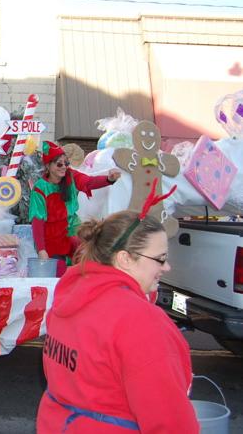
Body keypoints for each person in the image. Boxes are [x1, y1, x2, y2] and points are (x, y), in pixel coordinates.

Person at [37, 184, 198, 433]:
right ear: (124, 259)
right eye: (161, 259)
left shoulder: (70, 294)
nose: (167, 268)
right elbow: (170, 421)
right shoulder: (141, 322)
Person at [29, 141, 121, 276]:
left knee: (83, 273)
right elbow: (37, 221)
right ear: (48, 166)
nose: (64, 167)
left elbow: (88, 182)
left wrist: (109, 179)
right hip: (53, 240)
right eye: (59, 164)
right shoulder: (40, 189)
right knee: (59, 277)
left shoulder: (70, 176)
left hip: (74, 233)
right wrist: (42, 249)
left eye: (66, 163)